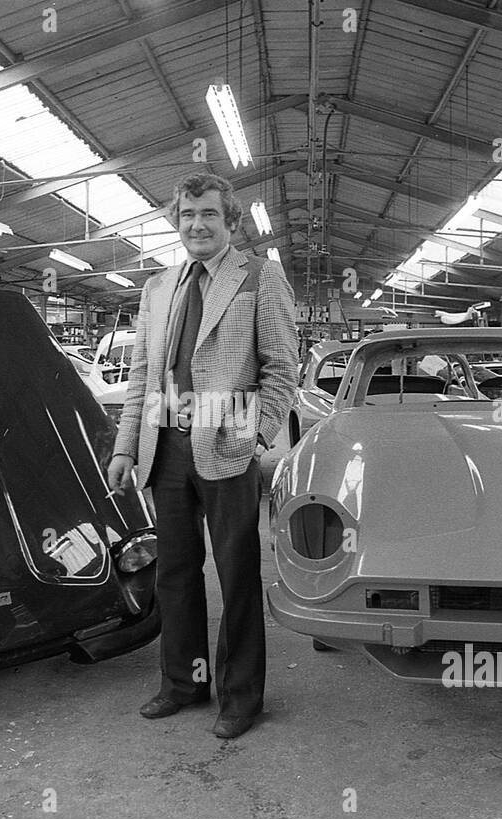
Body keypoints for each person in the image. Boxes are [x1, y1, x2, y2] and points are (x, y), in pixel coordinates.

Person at [105, 172, 297, 739]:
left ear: (231, 221)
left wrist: (250, 432)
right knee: (176, 573)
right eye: (188, 216)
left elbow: (283, 368)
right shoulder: (159, 286)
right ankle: (183, 683)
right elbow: (141, 374)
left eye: (209, 214)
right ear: (177, 222)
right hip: (163, 447)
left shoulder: (259, 278)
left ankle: (241, 698)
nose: (197, 225)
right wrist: (124, 447)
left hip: (227, 448)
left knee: (237, 572)